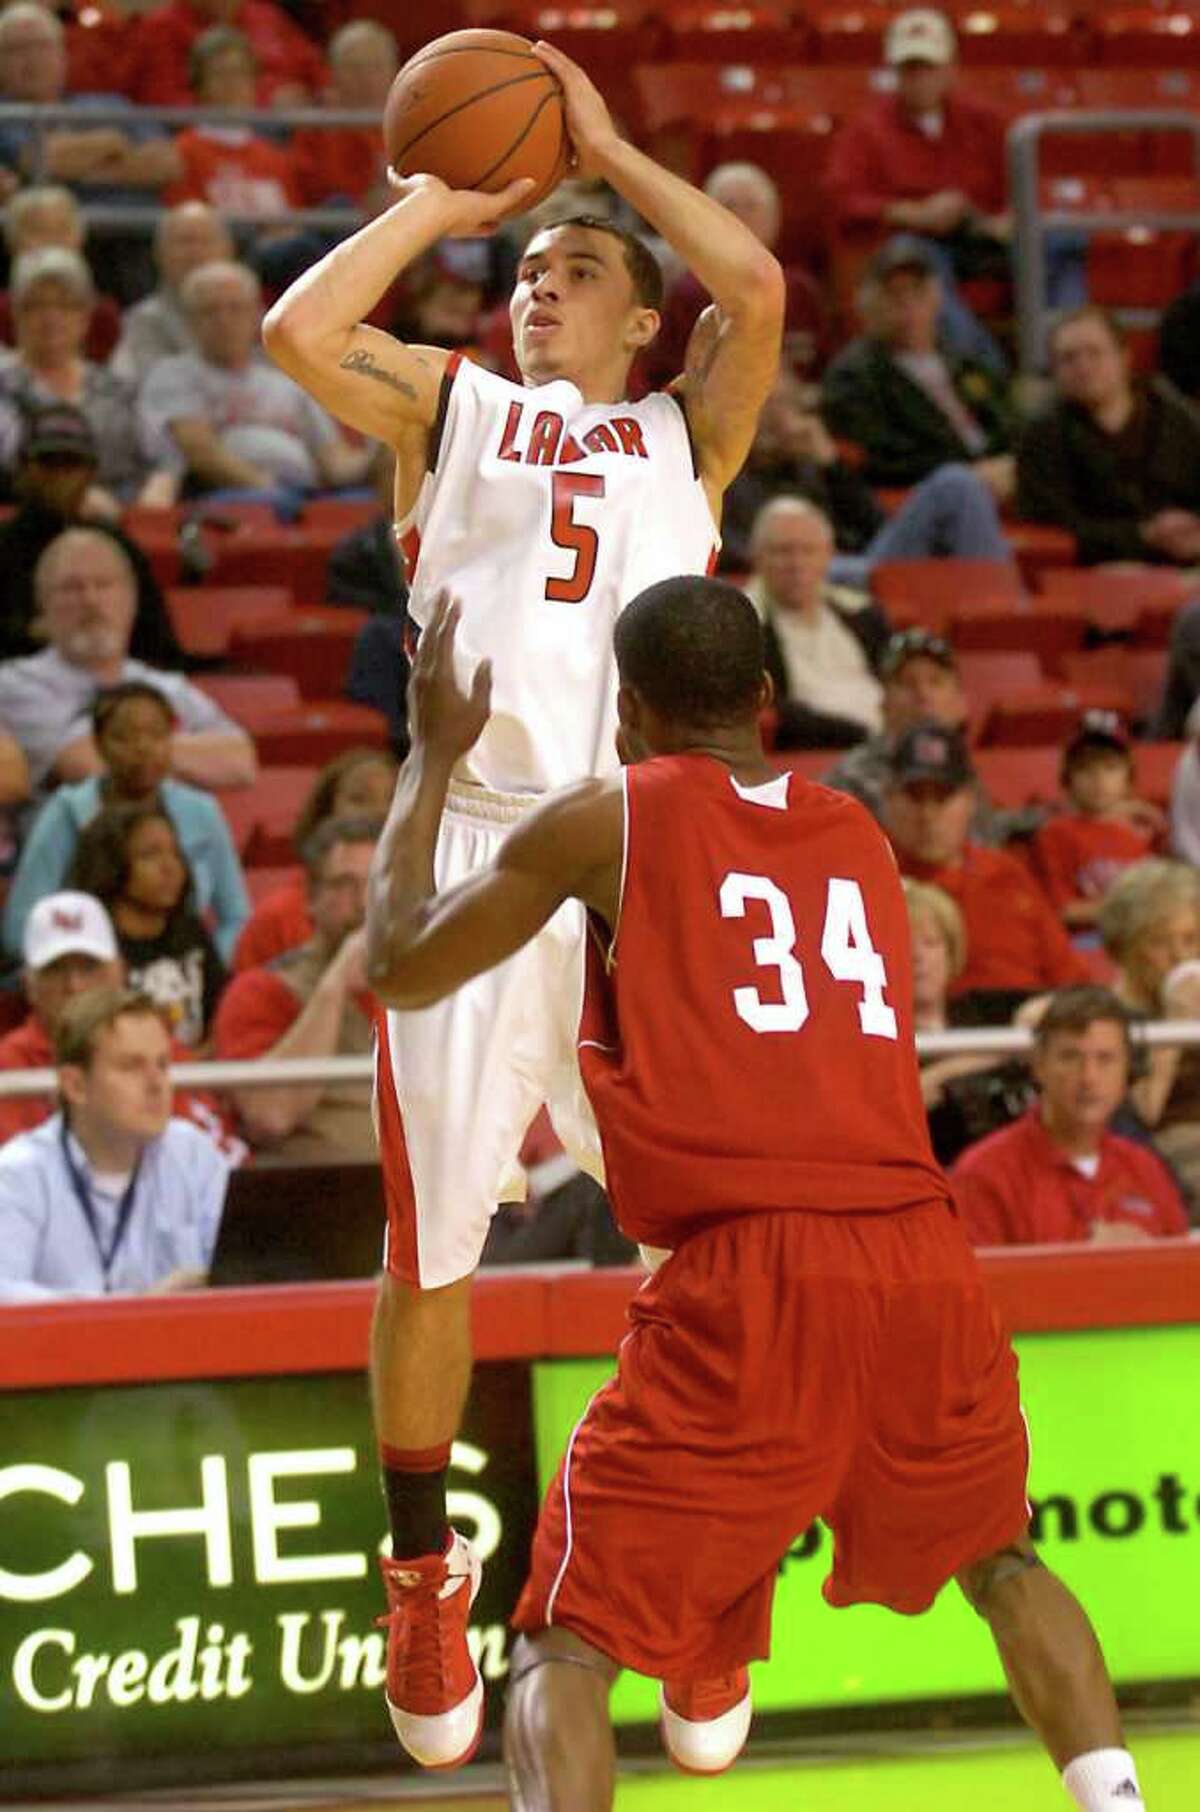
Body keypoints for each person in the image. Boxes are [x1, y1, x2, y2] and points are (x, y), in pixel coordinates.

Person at [369, 581, 1149, 1812]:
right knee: (1002, 1557)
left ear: (626, 713)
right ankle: (1117, 1800)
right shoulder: (857, 828)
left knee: (564, 1642)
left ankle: (691, 1638)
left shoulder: (606, 817)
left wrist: (431, 757)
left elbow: (400, 963)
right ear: (770, 702)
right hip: (918, 1254)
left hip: (744, 1267)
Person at [262, 37, 783, 1772]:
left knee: (704, 1257)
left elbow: (759, 281)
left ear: (643, 319)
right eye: (527, 274)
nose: (537, 288)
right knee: (432, 1250)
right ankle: (424, 1570)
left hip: (639, 866)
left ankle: (704, 1584)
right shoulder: (456, 407)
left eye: (574, 273)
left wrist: (612, 156)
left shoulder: (682, 434)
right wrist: (440, 198)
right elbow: (294, 338)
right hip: (480, 852)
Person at [0, 986, 231, 1302]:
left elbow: (245, 1271)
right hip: (67, 1351)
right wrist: (132, 1311)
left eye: (162, 1064)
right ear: (76, 1085)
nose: (156, 1083)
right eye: (131, 1066)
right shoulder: (18, 1173)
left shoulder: (193, 1155)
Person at [5, 680, 249, 962]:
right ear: (99, 743)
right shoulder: (67, 811)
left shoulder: (202, 810)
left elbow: (236, 917)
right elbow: (20, 927)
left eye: (156, 734)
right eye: (124, 737)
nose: (143, 748)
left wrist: (204, 966)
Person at [0, 527, 257, 792]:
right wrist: (185, 752)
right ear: (43, 606)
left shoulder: (167, 686)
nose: (91, 600)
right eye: (72, 588)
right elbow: (82, 764)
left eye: (104, 584)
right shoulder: (15, 685)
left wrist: (130, 750)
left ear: (131, 600)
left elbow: (241, 760)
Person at [721, 364, 1013, 578]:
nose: (778, 417)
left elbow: (875, 527)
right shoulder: (723, 473)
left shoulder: (810, 464)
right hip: (792, 574)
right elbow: (733, 554)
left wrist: (831, 464)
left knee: (959, 485)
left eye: (785, 403)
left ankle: (1002, 614)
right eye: (764, 404)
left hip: (852, 566)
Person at [0, 888, 237, 1149]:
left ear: (121, 973)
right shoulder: (9, 1066)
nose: (74, 985)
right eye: (55, 970)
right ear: (29, 986)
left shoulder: (159, 1049)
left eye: (90, 967)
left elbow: (217, 1157)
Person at [951, 987, 1189, 1245]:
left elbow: (1185, 1276)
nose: (1089, 1077)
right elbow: (979, 1283)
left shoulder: (1145, 1168)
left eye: (1105, 1059)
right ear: (1039, 1066)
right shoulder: (985, 1173)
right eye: (1070, 1057)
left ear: (1127, 1071)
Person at [882, 722, 1090, 1008]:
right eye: (915, 797)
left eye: (942, 798)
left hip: (1022, 1032)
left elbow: (1071, 979)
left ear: (969, 801)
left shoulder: (1007, 873)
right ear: (889, 799)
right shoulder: (871, 883)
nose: (928, 815)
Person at [213, 816, 378, 1163]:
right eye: (344, 884)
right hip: (318, 1200)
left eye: (378, 883)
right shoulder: (261, 991)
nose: (364, 903)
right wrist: (334, 987)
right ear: (311, 899)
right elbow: (270, 1115)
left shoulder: (434, 989)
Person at [140, 260, 369, 501]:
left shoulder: (287, 379)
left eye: (235, 308)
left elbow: (334, 461)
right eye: (210, 310)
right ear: (190, 322)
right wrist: (269, 489)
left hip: (303, 495)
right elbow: (200, 452)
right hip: (224, 496)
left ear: (255, 316)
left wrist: (380, 461)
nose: (224, 319)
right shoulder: (174, 375)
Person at [821, 236, 1014, 492]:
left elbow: (1006, 422)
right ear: (867, 304)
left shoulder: (967, 362)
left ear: (936, 298)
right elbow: (880, 458)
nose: (907, 303)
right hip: (928, 490)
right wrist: (967, 473)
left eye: (917, 290)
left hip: (997, 477)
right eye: (894, 293)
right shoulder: (852, 377)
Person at [0, 406, 184, 666]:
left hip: (111, 688)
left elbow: (158, 648)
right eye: (48, 463)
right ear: (22, 471)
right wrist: (31, 634)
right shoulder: (4, 546)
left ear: (91, 473)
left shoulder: (115, 547)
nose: (60, 476)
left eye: (72, 463)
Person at [1016, 306, 1200, 567]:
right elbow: (1052, 527)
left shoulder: (1176, 421)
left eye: (1095, 353)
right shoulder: (1041, 437)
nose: (1083, 366)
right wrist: (1143, 536)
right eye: (1068, 358)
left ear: (1124, 357)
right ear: (1055, 371)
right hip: (1087, 574)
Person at [824, 627, 1038, 844]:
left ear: (961, 704)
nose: (923, 694)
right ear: (884, 705)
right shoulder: (851, 779)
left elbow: (985, 837)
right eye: (907, 683)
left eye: (936, 682)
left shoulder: (960, 766)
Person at [0, 248, 174, 512]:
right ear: (16, 315)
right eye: (36, 305)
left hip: (123, 516)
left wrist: (160, 486)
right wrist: (75, 497)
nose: (51, 317)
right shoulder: (4, 386)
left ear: (84, 317)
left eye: (65, 305)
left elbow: (165, 457)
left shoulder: (118, 388)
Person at [643, 162, 827, 390]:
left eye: (751, 206)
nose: (740, 216)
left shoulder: (800, 290)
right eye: (729, 205)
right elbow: (667, 375)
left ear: (775, 219)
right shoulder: (687, 293)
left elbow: (822, 369)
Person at [67, 802, 226, 1048]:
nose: (169, 867)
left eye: (175, 853)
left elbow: (223, 1016)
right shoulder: (93, 947)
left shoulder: (192, 933)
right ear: (111, 864)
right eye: (149, 855)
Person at [231, 747, 399, 971]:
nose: (380, 812)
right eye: (360, 799)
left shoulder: (434, 902)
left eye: (394, 798)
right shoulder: (275, 920)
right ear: (325, 812)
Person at [746, 496, 888, 749]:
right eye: (783, 551)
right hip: (818, 752)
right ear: (757, 557)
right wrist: (863, 735)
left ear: (828, 556)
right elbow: (772, 712)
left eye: (808, 550)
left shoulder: (864, 614)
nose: (797, 564)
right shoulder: (743, 627)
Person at [1099, 859, 1200, 1196]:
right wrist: (1175, 1026)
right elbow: (1142, 1115)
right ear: (1126, 948)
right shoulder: (1106, 1016)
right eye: (1160, 942)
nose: (1180, 956)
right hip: (1161, 1151)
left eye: (1191, 939)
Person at [1032, 712, 1160, 931]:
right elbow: (1064, 911)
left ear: (1128, 778)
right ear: (1067, 779)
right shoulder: (1055, 834)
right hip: (1085, 941)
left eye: (1110, 768)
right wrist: (1128, 908)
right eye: (1085, 769)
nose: (1099, 779)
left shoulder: (1144, 831)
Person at [163, 28, 298, 221]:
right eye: (220, 74)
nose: (231, 84)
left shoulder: (275, 159)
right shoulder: (184, 152)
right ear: (200, 84)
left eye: (239, 73)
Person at [110, 202, 234, 388]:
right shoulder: (144, 320)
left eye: (206, 242)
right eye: (184, 242)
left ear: (228, 252)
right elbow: (145, 386)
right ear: (159, 254)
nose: (195, 253)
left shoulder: (256, 317)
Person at [124, 0, 324, 107]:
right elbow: (165, 104)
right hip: (214, 138)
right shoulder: (161, 28)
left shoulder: (266, 15)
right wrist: (264, 103)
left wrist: (321, 93)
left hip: (297, 124)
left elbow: (314, 66)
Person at [0, 185, 121, 359]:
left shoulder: (103, 317)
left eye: (62, 229)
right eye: (38, 230)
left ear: (80, 239)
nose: (52, 239)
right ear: (13, 242)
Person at [293, 20, 396, 209]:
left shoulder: (411, 125)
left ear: (393, 70)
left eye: (375, 66)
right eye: (353, 67)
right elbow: (314, 193)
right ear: (333, 73)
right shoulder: (316, 129)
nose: (364, 77)